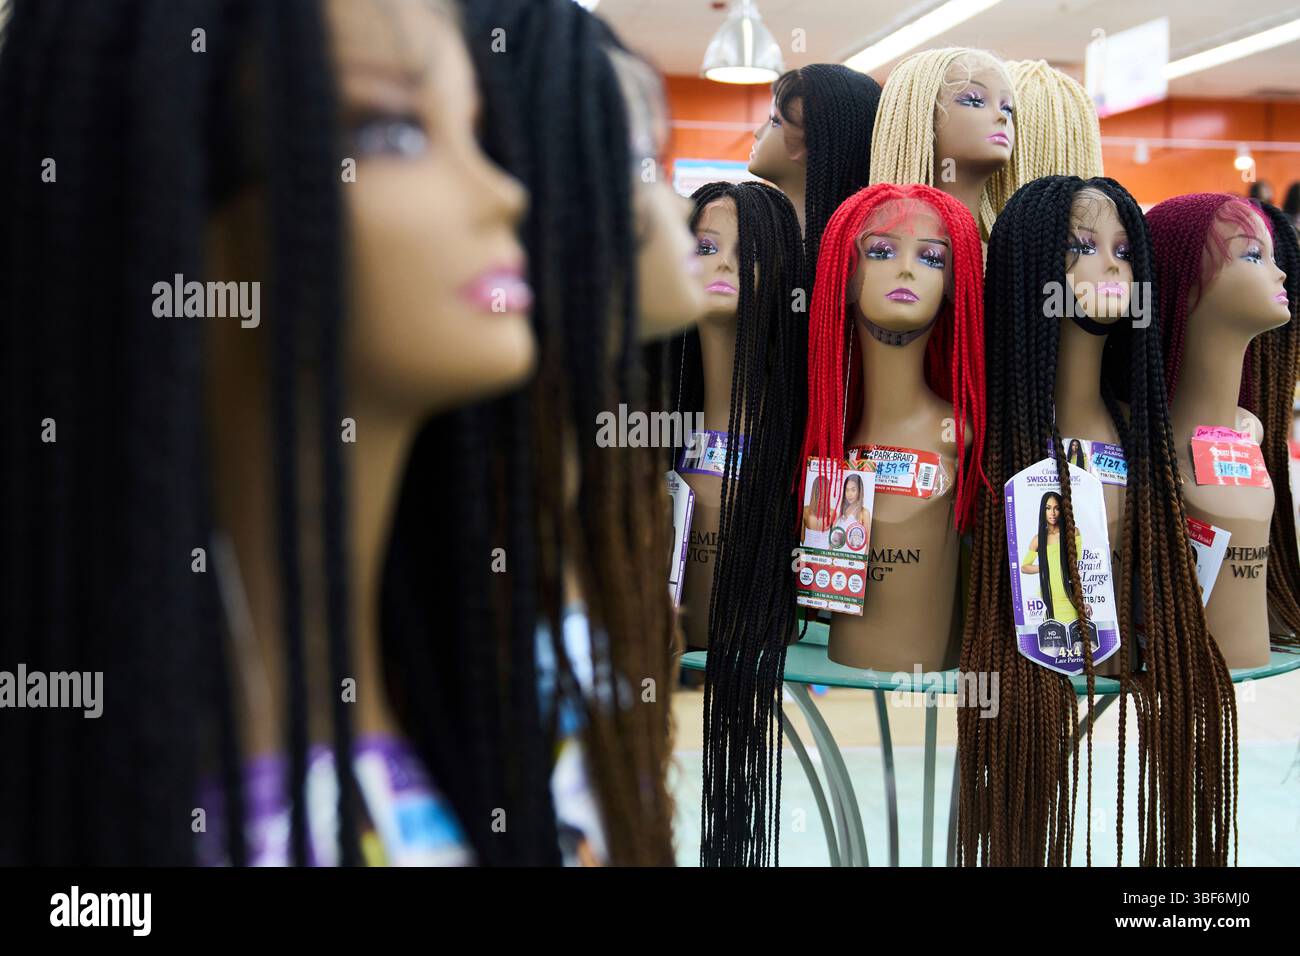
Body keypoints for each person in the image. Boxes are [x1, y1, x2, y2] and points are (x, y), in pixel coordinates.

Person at [1019, 492, 1084, 624]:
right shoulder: (1038, 539)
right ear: (1043, 511)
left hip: (1070, 592)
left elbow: (1079, 559)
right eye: (1048, 508)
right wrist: (1044, 566)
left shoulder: (1073, 532)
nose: (1052, 513)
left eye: (1057, 508)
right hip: (1050, 595)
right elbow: (1024, 567)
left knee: (1076, 637)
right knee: (1054, 637)